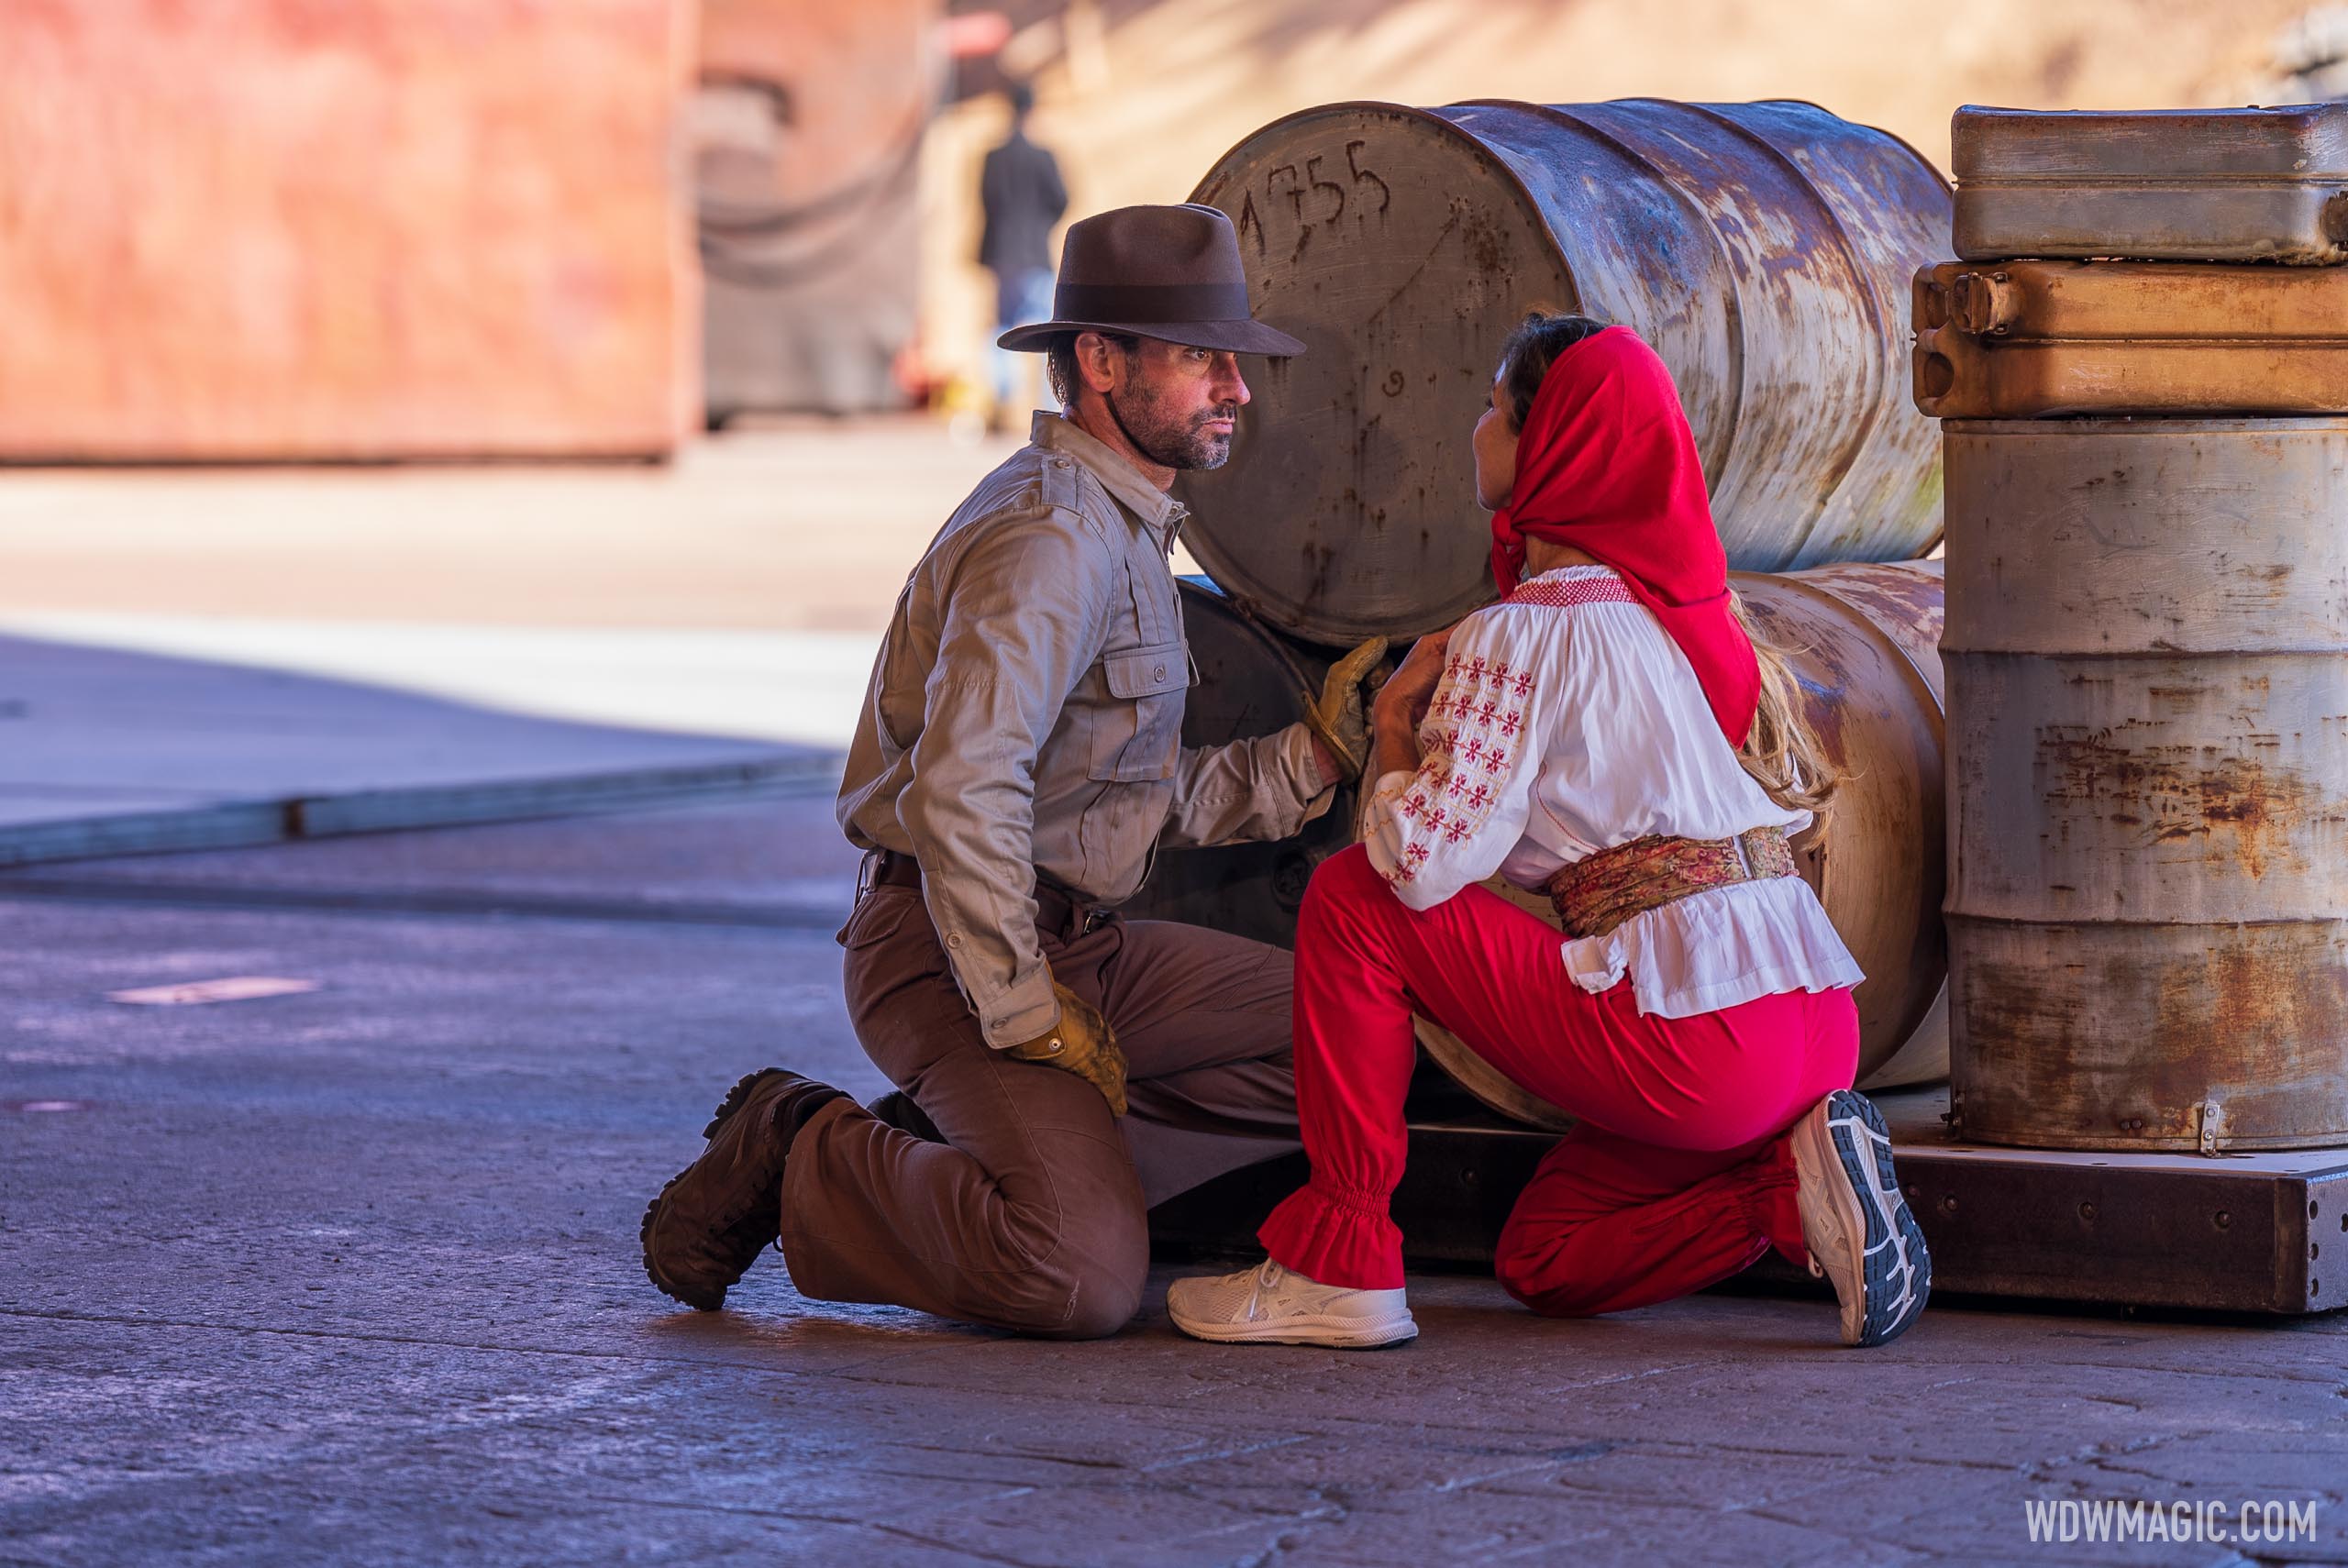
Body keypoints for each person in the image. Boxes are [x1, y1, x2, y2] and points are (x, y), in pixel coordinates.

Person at [640, 204, 1386, 1340]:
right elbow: (963, 792)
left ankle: (980, 1155)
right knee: (1074, 1279)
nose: (1236, 387)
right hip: (951, 949)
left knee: (1352, 1034)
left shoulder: (1124, 525)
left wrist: (1315, 757)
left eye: (1235, 361)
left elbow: (1118, 799)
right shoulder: (1052, 539)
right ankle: (808, 1148)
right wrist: (1026, 1009)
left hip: (1083, 939)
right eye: (1200, 358)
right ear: (1100, 362)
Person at [1168, 315, 1933, 1351]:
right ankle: (1792, 1196)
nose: (1474, 429)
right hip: (1811, 1024)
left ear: (1554, 446)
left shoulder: (1522, 633)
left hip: (1701, 1044)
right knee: (1545, 1255)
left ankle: (1337, 1263)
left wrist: (1391, 726)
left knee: (1352, 899)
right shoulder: (1666, 621)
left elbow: (1421, 865)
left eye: (1495, 410)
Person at [977, 81, 1066, 432]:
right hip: (1035, 252)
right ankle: (1051, 408)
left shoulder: (994, 157)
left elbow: (986, 201)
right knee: (1046, 332)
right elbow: (1060, 199)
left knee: (1000, 330)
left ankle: (1002, 404)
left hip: (1003, 254)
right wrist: (1039, 228)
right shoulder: (1043, 157)